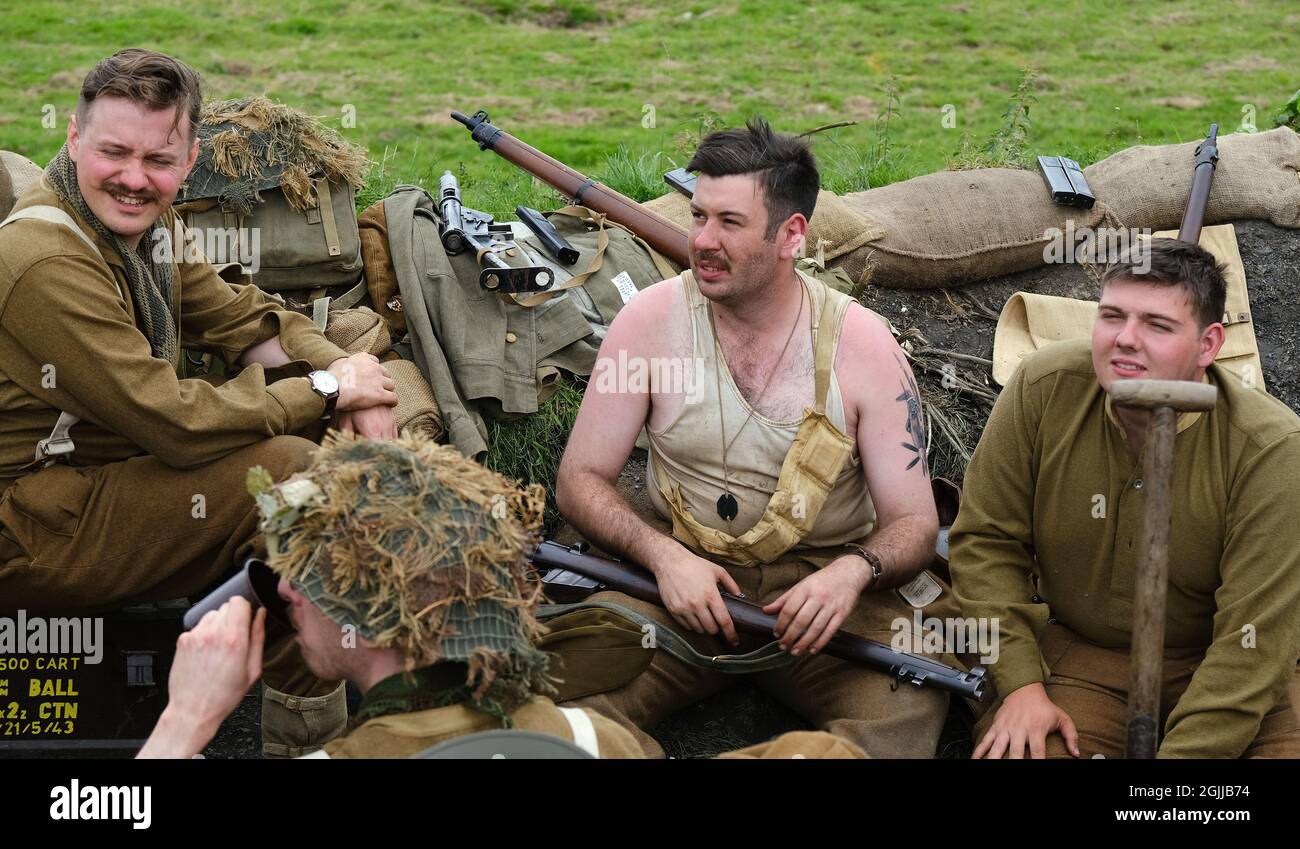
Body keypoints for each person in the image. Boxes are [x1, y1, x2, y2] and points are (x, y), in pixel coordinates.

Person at [0, 48, 399, 756]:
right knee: (288, 480)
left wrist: (347, 370)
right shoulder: (44, 259)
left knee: (315, 458)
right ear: (71, 138)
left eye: (159, 160)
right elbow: (174, 423)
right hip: (28, 528)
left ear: (189, 163)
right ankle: (309, 738)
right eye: (113, 152)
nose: (133, 177)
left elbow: (243, 319)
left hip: (92, 482)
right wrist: (327, 391)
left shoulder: (144, 225)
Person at [552, 118, 954, 758]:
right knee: (558, 705)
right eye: (698, 216)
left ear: (792, 233)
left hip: (827, 601)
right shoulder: (650, 322)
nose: (703, 242)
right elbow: (579, 480)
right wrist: (665, 559)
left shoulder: (864, 345)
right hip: (683, 587)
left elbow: (912, 522)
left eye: (730, 223)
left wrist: (853, 573)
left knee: (906, 711)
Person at [950, 238, 1300, 759]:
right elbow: (985, 543)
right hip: (1084, 656)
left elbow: (1254, 643)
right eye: (1112, 316)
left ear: (1208, 345)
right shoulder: (1043, 388)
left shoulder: (1271, 449)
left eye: (1158, 326)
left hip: (1230, 670)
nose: (1125, 340)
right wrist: (1021, 683)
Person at [138, 432, 651, 759]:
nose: (288, 588)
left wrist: (183, 724)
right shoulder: (599, 741)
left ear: (374, 615)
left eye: (312, 572)